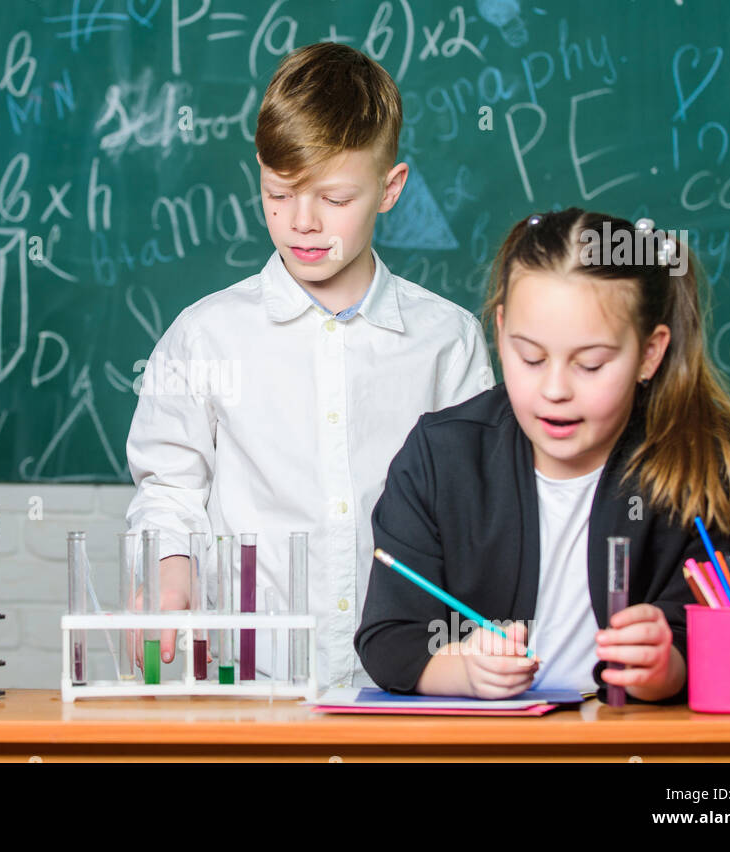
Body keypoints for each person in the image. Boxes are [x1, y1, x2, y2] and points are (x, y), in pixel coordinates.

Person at [125, 43, 491, 688]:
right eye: (280, 192)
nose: (303, 222)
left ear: (390, 188)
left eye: (335, 198)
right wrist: (169, 570)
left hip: (410, 690)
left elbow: (475, 509)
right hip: (251, 687)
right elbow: (170, 488)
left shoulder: (447, 342)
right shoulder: (204, 336)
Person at [355, 208, 730, 702]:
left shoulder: (707, 458)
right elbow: (388, 638)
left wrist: (666, 666)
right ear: (500, 330)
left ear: (649, 354)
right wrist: (462, 670)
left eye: (590, 364)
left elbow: (714, 640)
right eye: (530, 357)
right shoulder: (440, 455)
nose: (554, 390)